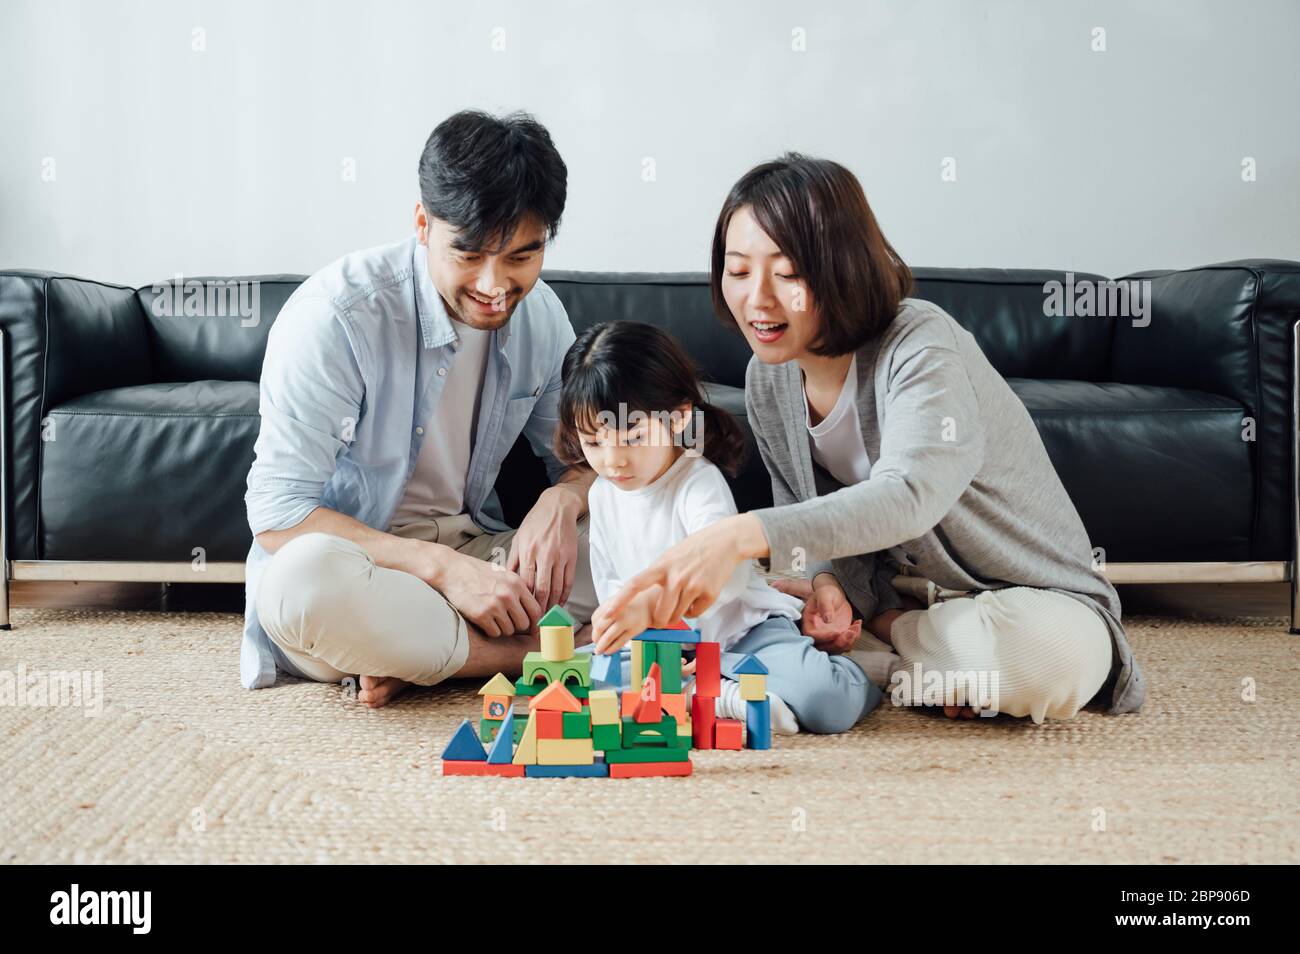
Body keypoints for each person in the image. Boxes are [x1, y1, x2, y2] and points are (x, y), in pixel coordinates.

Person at [595, 154, 1146, 723]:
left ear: (842, 269)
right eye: (738, 271)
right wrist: (827, 581)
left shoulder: (921, 344)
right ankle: (919, 666)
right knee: (778, 598)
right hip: (906, 592)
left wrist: (737, 538)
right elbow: (803, 513)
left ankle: (886, 650)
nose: (757, 298)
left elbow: (911, 493)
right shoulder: (769, 374)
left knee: (1049, 658)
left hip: (1036, 598)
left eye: (787, 274)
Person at [241, 110, 598, 708]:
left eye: (521, 257)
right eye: (470, 254)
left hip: (481, 557)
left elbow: (591, 458)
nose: (495, 283)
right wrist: (440, 571)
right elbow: (278, 516)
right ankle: (533, 654)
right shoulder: (336, 317)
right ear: (423, 224)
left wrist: (562, 498)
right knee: (299, 590)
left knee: (650, 531)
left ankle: (423, 657)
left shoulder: (541, 318)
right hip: (361, 570)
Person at [562, 321, 883, 734]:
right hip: (658, 649)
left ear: (678, 419)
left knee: (827, 702)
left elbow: (721, 578)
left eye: (633, 437)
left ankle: (846, 671)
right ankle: (724, 696)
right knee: (571, 684)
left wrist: (664, 620)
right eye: (593, 442)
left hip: (740, 631)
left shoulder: (697, 481)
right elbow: (612, 585)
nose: (612, 461)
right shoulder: (603, 494)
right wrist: (622, 631)